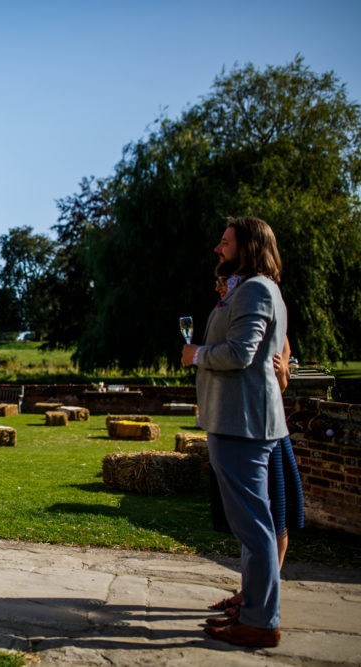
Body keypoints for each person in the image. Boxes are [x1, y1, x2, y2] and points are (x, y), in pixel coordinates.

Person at [182, 216, 287, 648]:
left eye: (225, 242)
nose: (218, 248)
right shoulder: (252, 288)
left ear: (248, 247)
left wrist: (196, 354)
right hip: (238, 421)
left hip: (241, 423)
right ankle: (253, 607)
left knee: (254, 527)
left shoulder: (257, 290)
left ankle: (261, 623)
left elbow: (241, 354)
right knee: (251, 526)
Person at [208, 333, 304, 614]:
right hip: (237, 431)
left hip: (269, 432)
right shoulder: (236, 328)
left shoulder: (278, 335)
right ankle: (251, 593)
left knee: (276, 518)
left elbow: (281, 385)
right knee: (249, 521)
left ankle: (258, 599)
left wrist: (281, 371)